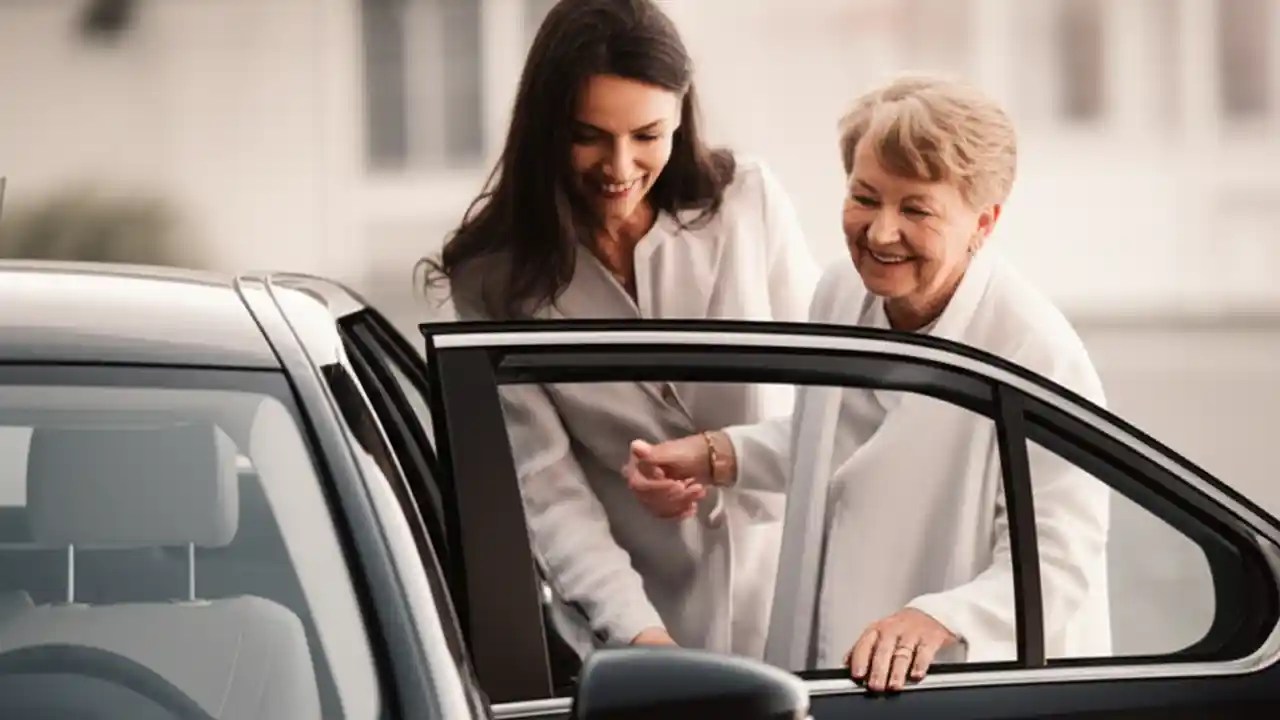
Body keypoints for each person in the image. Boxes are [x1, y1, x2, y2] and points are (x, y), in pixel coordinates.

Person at [624, 75, 1112, 690]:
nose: (881, 233)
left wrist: (940, 617)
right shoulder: (838, 292)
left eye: (916, 209)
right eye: (865, 197)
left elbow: (1060, 562)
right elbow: (835, 443)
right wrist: (716, 454)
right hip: (834, 673)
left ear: (984, 222)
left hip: (961, 686)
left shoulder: (1035, 350)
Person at [419, 0, 819, 659]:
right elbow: (547, 489)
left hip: (794, 610)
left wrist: (721, 454)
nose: (620, 165)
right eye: (589, 136)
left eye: (647, 135)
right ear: (546, 128)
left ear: (681, 115)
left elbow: (833, 409)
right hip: (637, 629)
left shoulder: (748, 203)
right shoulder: (493, 280)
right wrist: (642, 639)